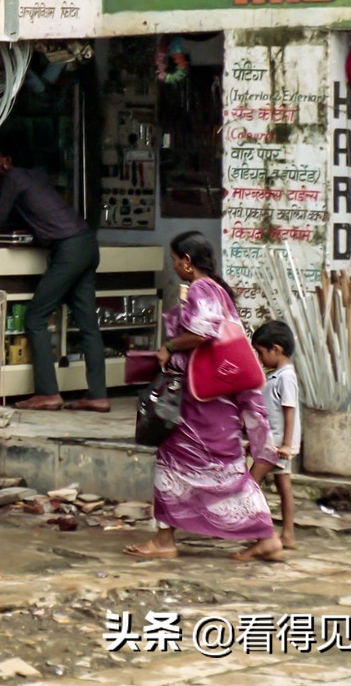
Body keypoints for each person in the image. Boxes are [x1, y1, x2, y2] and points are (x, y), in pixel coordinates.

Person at [125, 232, 283, 563]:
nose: (173, 266)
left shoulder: (201, 288)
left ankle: (165, 540)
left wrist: (168, 346)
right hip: (213, 403)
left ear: (187, 260)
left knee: (173, 460)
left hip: (201, 403)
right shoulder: (218, 290)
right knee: (223, 469)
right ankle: (264, 538)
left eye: (174, 260)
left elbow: (201, 333)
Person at [0, 133, 105, 412]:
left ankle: (48, 393)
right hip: (87, 244)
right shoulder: (37, 176)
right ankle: (98, 395)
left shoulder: (15, 178)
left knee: (35, 317)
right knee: (89, 325)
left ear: (5, 160)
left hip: (67, 250)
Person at [251, 320, 300, 550]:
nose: (260, 359)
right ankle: (287, 534)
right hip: (276, 442)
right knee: (284, 488)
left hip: (276, 444)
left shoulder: (285, 377)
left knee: (250, 484)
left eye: (261, 353)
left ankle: (260, 531)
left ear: (276, 349)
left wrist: (287, 444)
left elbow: (289, 411)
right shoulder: (278, 375)